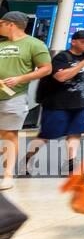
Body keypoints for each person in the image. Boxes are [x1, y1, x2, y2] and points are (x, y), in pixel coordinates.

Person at [26, 29, 84, 176]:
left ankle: (69, 164)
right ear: (73, 41)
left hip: (80, 104)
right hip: (58, 104)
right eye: (83, 41)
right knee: (46, 136)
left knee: (75, 133)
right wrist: (83, 63)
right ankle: (28, 159)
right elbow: (61, 77)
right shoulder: (62, 58)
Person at [0, 11, 52, 190]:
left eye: (1, 23)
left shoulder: (34, 44)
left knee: (9, 135)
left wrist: (20, 79)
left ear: (11, 24)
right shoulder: (1, 44)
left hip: (13, 96)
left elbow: (46, 68)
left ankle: (8, 175)